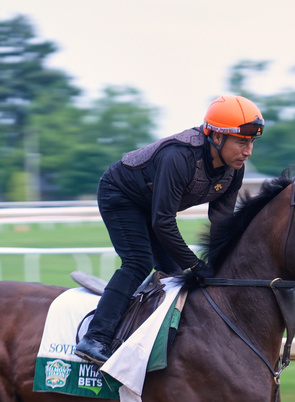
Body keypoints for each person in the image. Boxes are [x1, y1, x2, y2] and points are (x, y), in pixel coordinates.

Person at [74, 94, 265, 366]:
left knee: (175, 275)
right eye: (241, 142)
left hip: (152, 207)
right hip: (121, 195)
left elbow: (222, 224)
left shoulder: (234, 170)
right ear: (217, 136)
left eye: (251, 143)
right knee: (138, 262)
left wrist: (226, 264)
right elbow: (162, 222)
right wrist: (195, 265)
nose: (247, 152)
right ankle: (95, 338)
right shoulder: (180, 157)